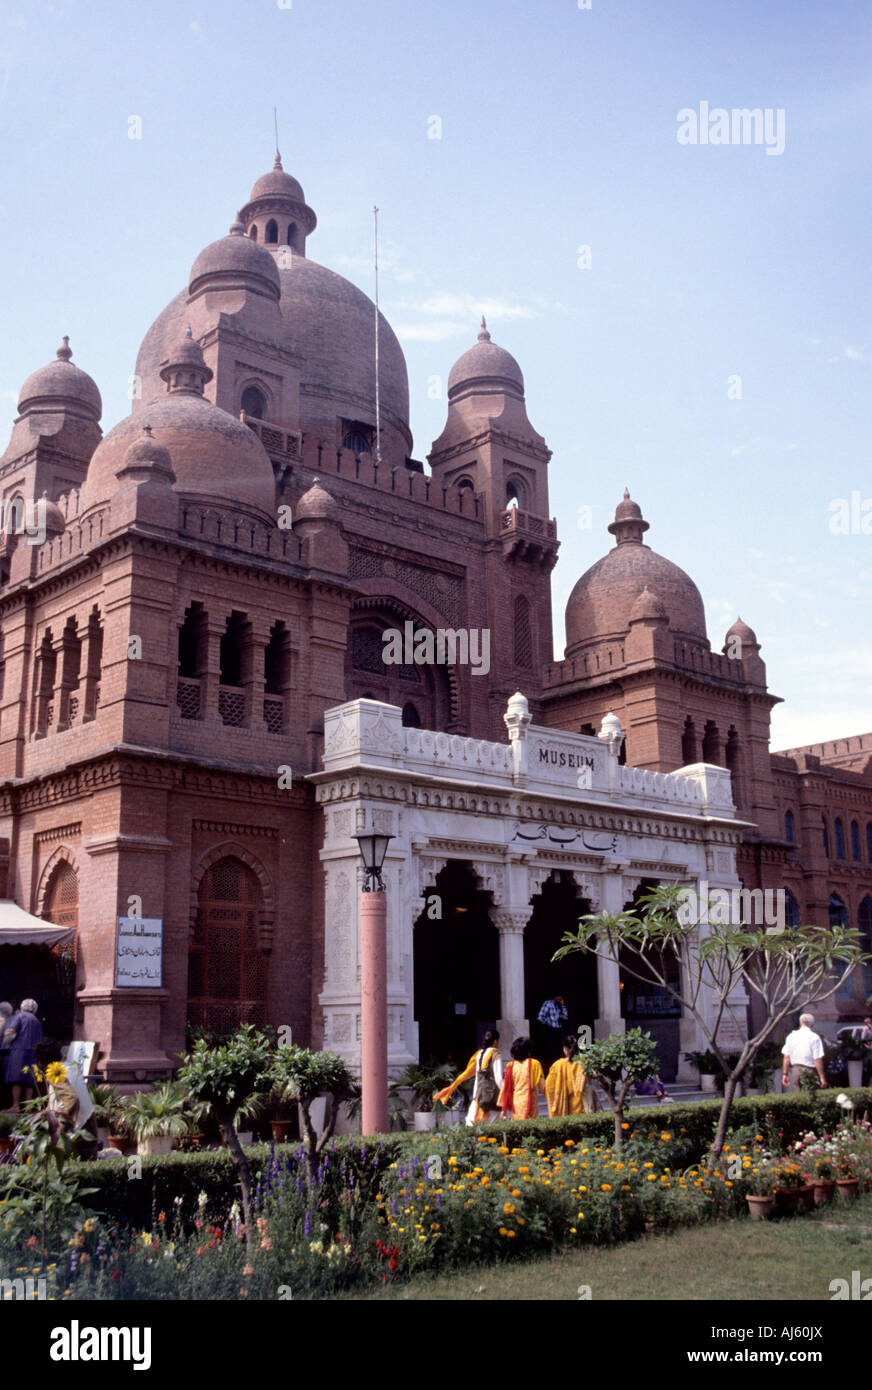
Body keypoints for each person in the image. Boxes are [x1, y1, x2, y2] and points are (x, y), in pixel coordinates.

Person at [433, 1030, 504, 1125]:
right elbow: (498, 1079)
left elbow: (478, 1076)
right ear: (495, 1041)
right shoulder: (496, 1055)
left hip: (478, 1095)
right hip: (492, 1097)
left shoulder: (479, 1054)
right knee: (492, 1126)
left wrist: (476, 1095)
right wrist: (506, 1094)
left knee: (472, 1123)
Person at [4, 998, 43, 1111]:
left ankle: (15, 1105)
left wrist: (6, 1037)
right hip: (33, 1052)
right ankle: (28, 1106)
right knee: (30, 1080)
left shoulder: (19, 1017)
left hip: (18, 1051)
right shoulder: (37, 1020)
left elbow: (10, 1033)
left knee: (16, 1079)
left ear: (22, 1008)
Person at [545, 1035, 597, 1115]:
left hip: (565, 1105)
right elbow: (594, 1075)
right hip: (582, 1103)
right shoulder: (584, 1062)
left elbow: (549, 1086)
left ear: (565, 1048)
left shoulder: (558, 1065)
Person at [499, 1036, 546, 1120]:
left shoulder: (510, 1066)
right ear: (528, 1051)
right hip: (530, 1104)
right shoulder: (535, 1064)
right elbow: (543, 1087)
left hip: (516, 1104)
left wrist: (504, 1110)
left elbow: (505, 1089)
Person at [781, 1012, 826, 1091]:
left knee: (799, 1095)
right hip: (810, 1070)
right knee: (811, 1096)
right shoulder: (814, 1037)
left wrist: (785, 1074)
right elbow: (817, 1059)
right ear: (812, 1024)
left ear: (800, 1023)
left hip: (796, 1070)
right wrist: (822, 1077)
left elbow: (786, 1057)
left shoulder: (791, 1036)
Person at [537, 995, 569, 1067]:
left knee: (558, 1052)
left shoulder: (559, 1006)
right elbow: (540, 1017)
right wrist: (546, 1024)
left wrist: (563, 1005)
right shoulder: (548, 1003)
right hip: (550, 1030)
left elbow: (565, 1017)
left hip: (558, 1030)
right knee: (551, 1052)